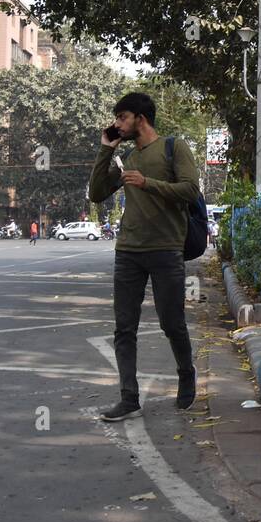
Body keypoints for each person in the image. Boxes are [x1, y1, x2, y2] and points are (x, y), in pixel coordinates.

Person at [90, 92, 200, 421]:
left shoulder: (173, 147)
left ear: (141, 117)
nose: (117, 124)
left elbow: (190, 190)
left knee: (172, 323)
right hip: (128, 251)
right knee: (124, 328)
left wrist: (147, 183)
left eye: (122, 117)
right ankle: (129, 397)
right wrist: (105, 149)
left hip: (166, 248)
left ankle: (185, 374)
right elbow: (96, 193)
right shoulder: (125, 159)